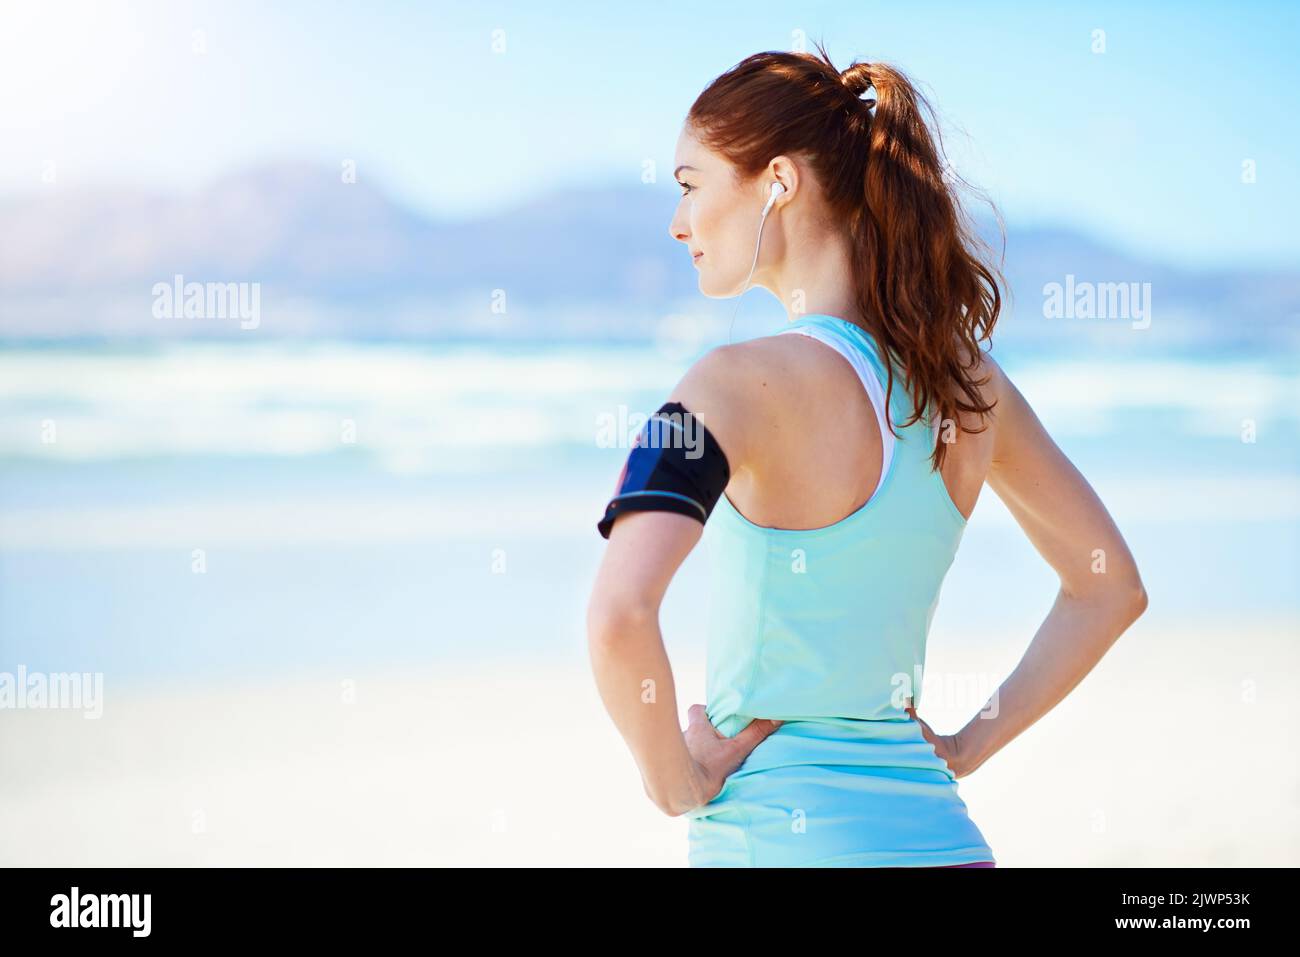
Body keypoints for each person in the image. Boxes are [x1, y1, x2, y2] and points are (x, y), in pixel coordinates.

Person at [586, 43, 1148, 867]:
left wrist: (672, 780)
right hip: (946, 841)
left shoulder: (728, 385)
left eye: (689, 185)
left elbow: (618, 614)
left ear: (778, 182)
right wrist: (962, 747)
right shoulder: (967, 385)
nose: (677, 223)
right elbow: (1111, 587)